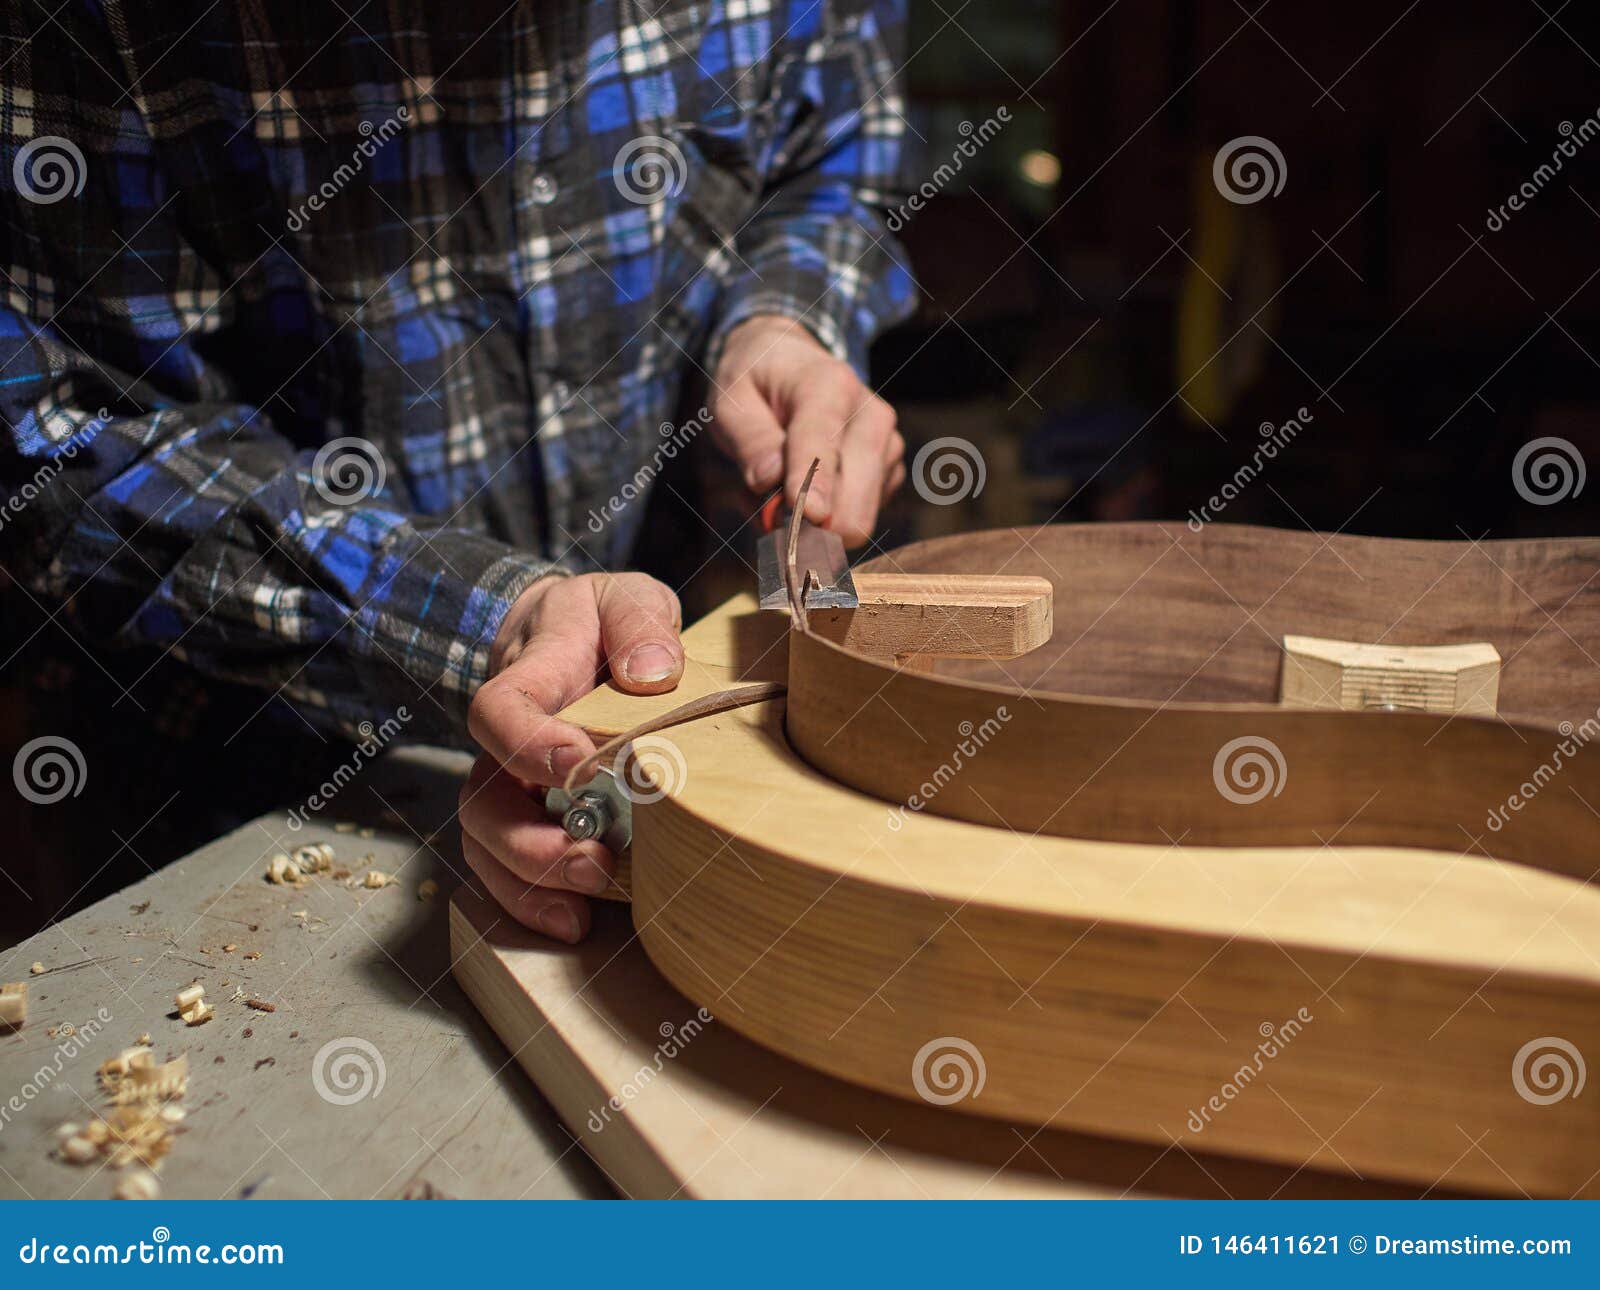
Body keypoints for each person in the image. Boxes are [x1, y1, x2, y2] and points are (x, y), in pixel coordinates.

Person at [0, 3, 913, 939]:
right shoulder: (78, 26)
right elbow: (66, 433)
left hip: (652, 730)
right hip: (247, 782)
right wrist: (488, 618)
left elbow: (832, 172)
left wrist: (782, 319)